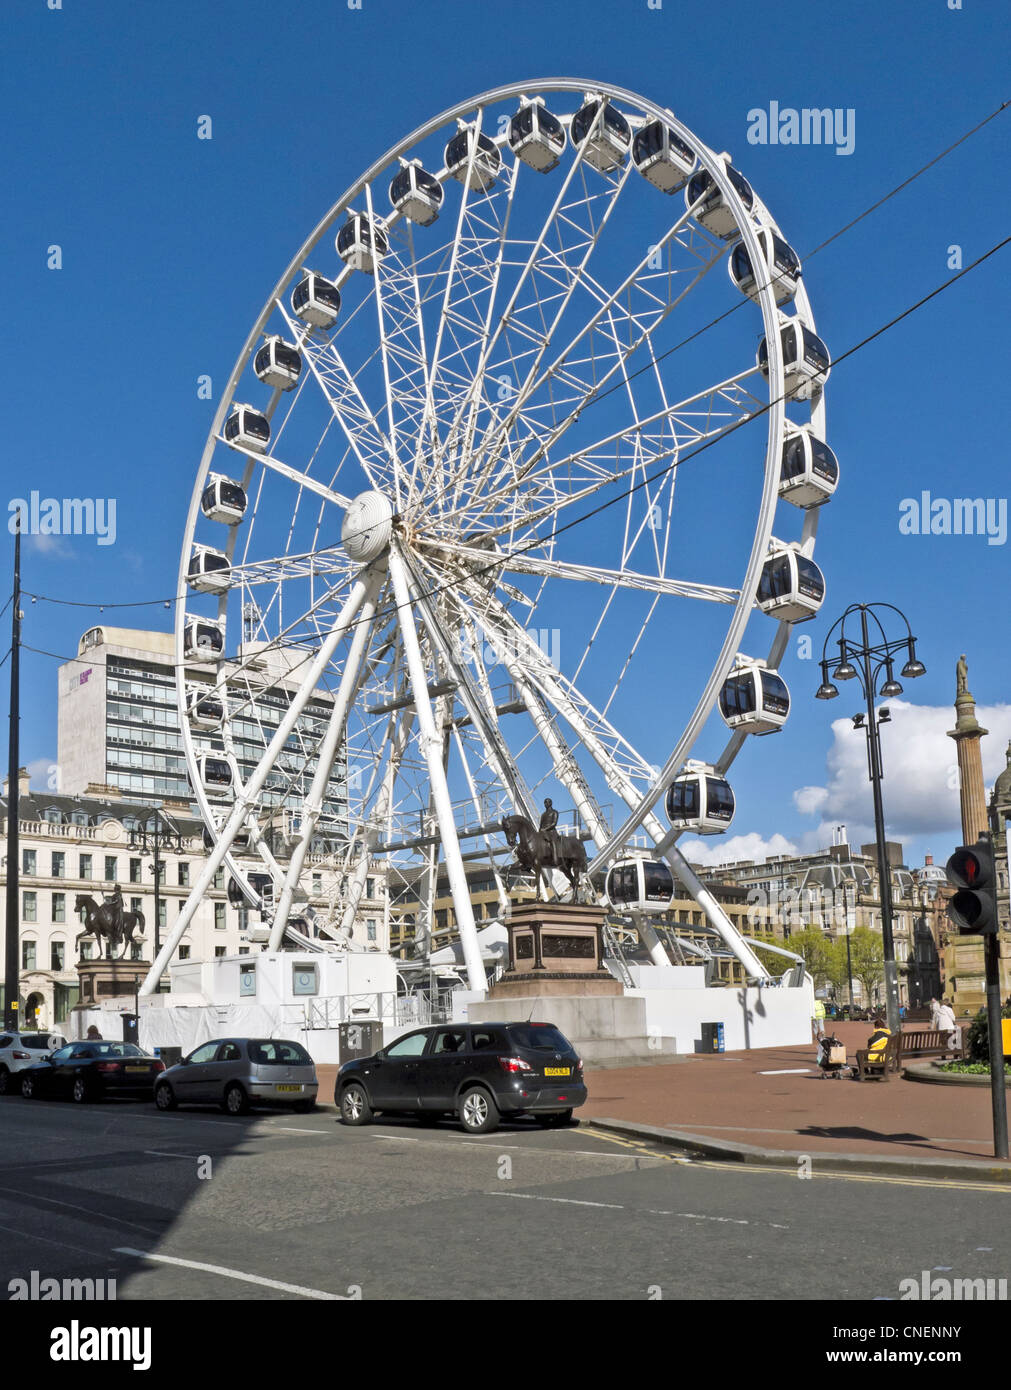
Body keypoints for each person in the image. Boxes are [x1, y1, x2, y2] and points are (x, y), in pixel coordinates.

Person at [539, 798, 559, 866]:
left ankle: (555, 860)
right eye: (545, 802)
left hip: (552, 831)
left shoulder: (555, 812)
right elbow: (540, 825)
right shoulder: (543, 814)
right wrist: (540, 831)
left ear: (551, 803)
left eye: (547, 802)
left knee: (553, 842)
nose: (546, 804)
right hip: (543, 832)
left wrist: (545, 829)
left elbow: (554, 823)